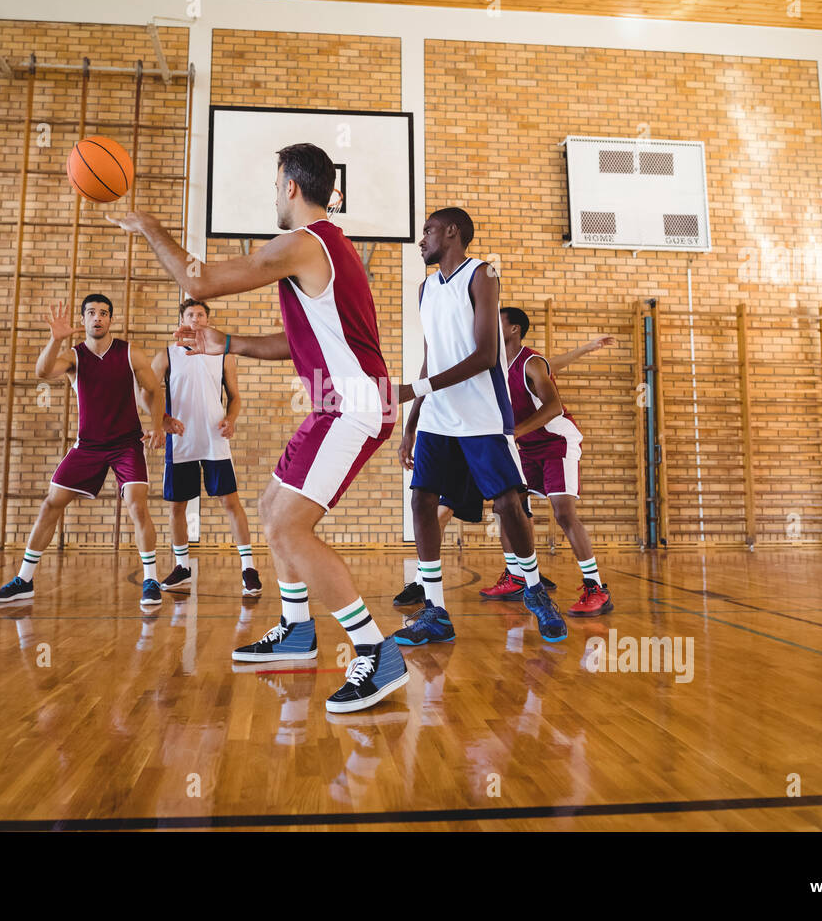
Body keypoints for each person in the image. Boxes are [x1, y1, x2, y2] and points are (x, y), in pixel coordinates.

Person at [108, 142, 407, 713]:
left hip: (354, 405)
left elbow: (198, 282)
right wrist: (231, 344)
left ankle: (374, 649)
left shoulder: (302, 242)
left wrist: (148, 226)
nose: (274, 194)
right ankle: (296, 628)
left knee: (292, 527)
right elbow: (302, 345)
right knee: (272, 508)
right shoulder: (326, 251)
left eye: (276, 185)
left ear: (292, 187)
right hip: (336, 402)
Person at [394, 207, 567, 645]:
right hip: (436, 416)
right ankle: (435, 609)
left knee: (509, 504)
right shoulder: (424, 289)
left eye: (429, 231)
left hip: (482, 414)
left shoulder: (482, 274)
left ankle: (532, 590)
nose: (422, 240)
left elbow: (486, 356)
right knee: (421, 501)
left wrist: (413, 390)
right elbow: (432, 355)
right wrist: (412, 419)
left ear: (452, 232)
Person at [0, 295, 179, 611]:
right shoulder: (74, 357)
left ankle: (149, 580)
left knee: (136, 504)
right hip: (88, 445)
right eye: (91, 313)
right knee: (51, 503)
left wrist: (158, 425)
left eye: (103, 313)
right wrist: (54, 340)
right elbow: (42, 372)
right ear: (84, 319)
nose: (97, 318)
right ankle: (24, 580)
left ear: (110, 320)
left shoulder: (129, 352)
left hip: (126, 444)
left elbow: (153, 391)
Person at [153, 298, 262, 598]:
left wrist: (232, 418)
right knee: (178, 506)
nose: (196, 319)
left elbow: (235, 396)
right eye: (190, 315)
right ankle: (182, 566)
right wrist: (160, 419)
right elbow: (145, 390)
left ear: (207, 320)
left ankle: (248, 568)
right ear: (182, 319)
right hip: (182, 438)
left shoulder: (223, 354)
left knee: (230, 503)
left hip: (214, 437)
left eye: (201, 314)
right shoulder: (168, 354)